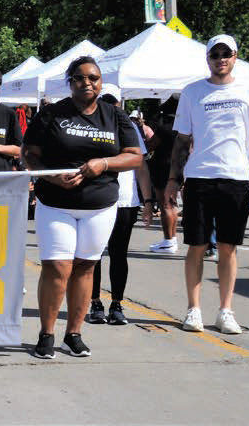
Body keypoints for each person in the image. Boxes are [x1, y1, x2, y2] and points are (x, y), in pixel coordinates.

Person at [22, 57, 141, 358]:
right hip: (56, 203)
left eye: (93, 77)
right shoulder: (51, 114)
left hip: (100, 206)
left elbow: (135, 157)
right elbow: (29, 154)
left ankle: (73, 334)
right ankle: (46, 334)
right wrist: (50, 175)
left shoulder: (115, 116)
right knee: (57, 267)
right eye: (79, 78)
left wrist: (104, 163)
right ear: (70, 81)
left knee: (86, 267)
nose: (86, 82)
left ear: (101, 82)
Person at [166, 35, 249, 335]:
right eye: (215, 54)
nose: (220, 59)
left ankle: (226, 310)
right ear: (208, 57)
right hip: (199, 177)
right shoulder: (192, 92)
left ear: (235, 56)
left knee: (228, 247)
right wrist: (174, 180)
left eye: (226, 53)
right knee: (196, 246)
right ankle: (193, 309)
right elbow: (182, 140)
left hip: (235, 178)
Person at [86, 88, 154, 326]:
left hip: (125, 200)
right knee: (93, 255)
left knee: (118, 254)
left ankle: (116, 303)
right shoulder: (91, 125)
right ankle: (95, 302)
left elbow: (141, 167)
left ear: (119, 104)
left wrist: (147, 201)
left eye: (112, 103)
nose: (109, 107)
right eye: (103, 102)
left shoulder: (129, 127)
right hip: (96, 198)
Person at [144, 97, 181, 253]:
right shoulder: (184, 126)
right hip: (178, 168)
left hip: (162, 166)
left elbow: (151, 144)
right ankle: (172, 239)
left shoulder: (165, 127)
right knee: (172, 204)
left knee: (165, 204)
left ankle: (168, 240)